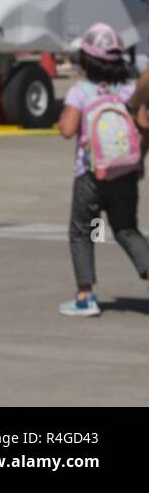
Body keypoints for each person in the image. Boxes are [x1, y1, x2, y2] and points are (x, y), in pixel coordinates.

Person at [56, 22, 149, 317]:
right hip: (125, 173)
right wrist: (140, 162)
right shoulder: (129, 90)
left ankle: (85, 297)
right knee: (127, 229)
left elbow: (68, 129)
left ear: (85, 61)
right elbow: (144, 126)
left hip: (90, 175)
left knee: (82, 231)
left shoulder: (80, 91)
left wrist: (62, 120)